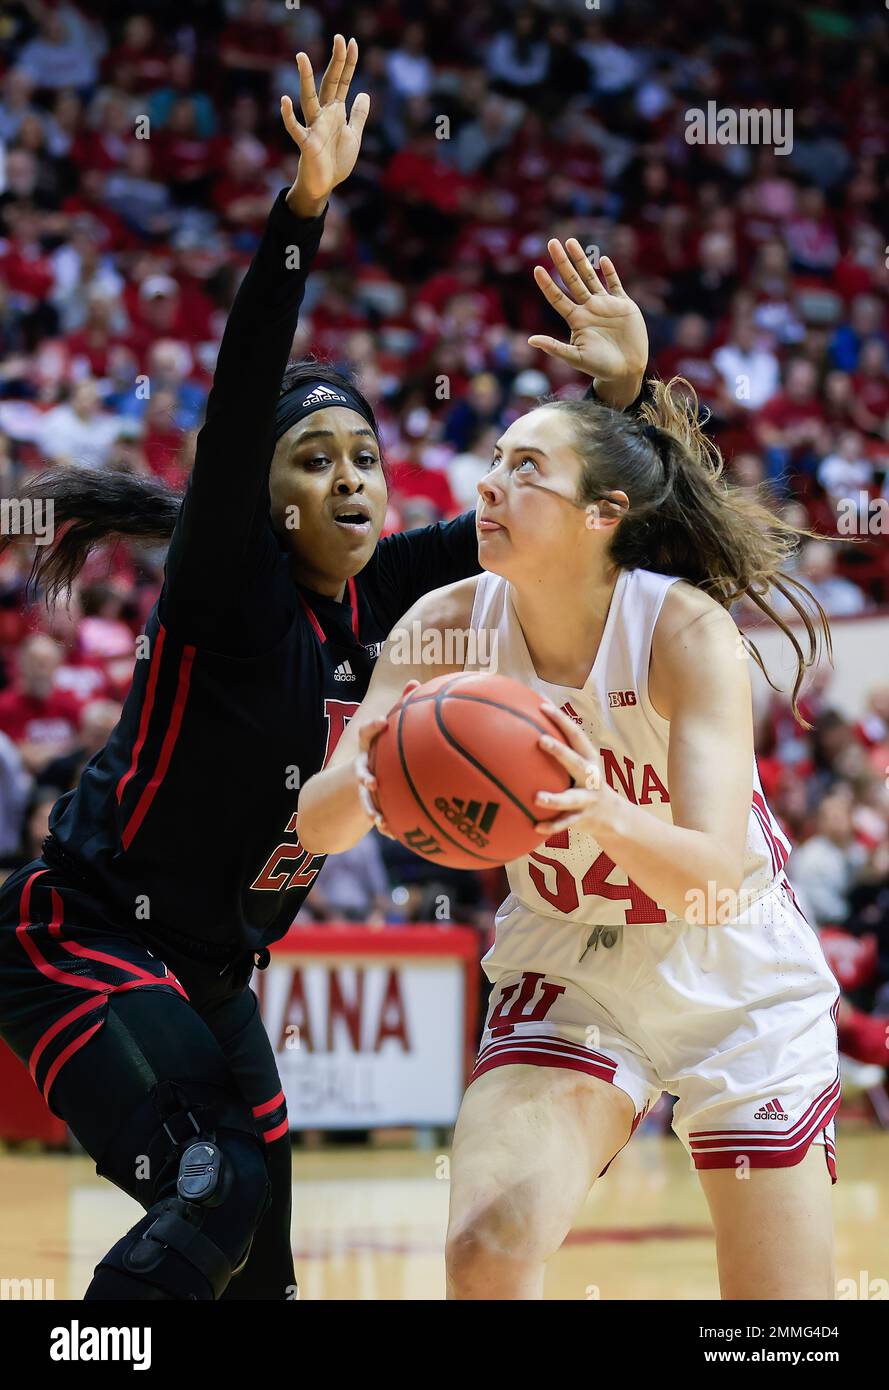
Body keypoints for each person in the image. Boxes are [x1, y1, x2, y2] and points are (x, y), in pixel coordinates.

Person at [0, 35, 646, 1302]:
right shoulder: (222, 584)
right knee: (215, 1189)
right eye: (314, 460)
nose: (347, 476)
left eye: (363, 454)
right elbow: (241, 398)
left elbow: (548, 522)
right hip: (82, 932)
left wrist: (620, 401)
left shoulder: (383, 592)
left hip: (219, 968)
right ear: (263, 496)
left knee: (265, 1274)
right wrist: (301, 214)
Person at [297, 275, 841, 1299]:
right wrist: (369, 767)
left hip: (734, 967)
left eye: (524, 469)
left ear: (602, 515)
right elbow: (314, 823)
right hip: (572, 956)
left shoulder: (683, 632)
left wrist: (601, 809)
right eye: (492, 463)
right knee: (485, 1248)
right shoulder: (446, 622)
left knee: (782, 1326)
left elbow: (707, 878)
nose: (487, 485)